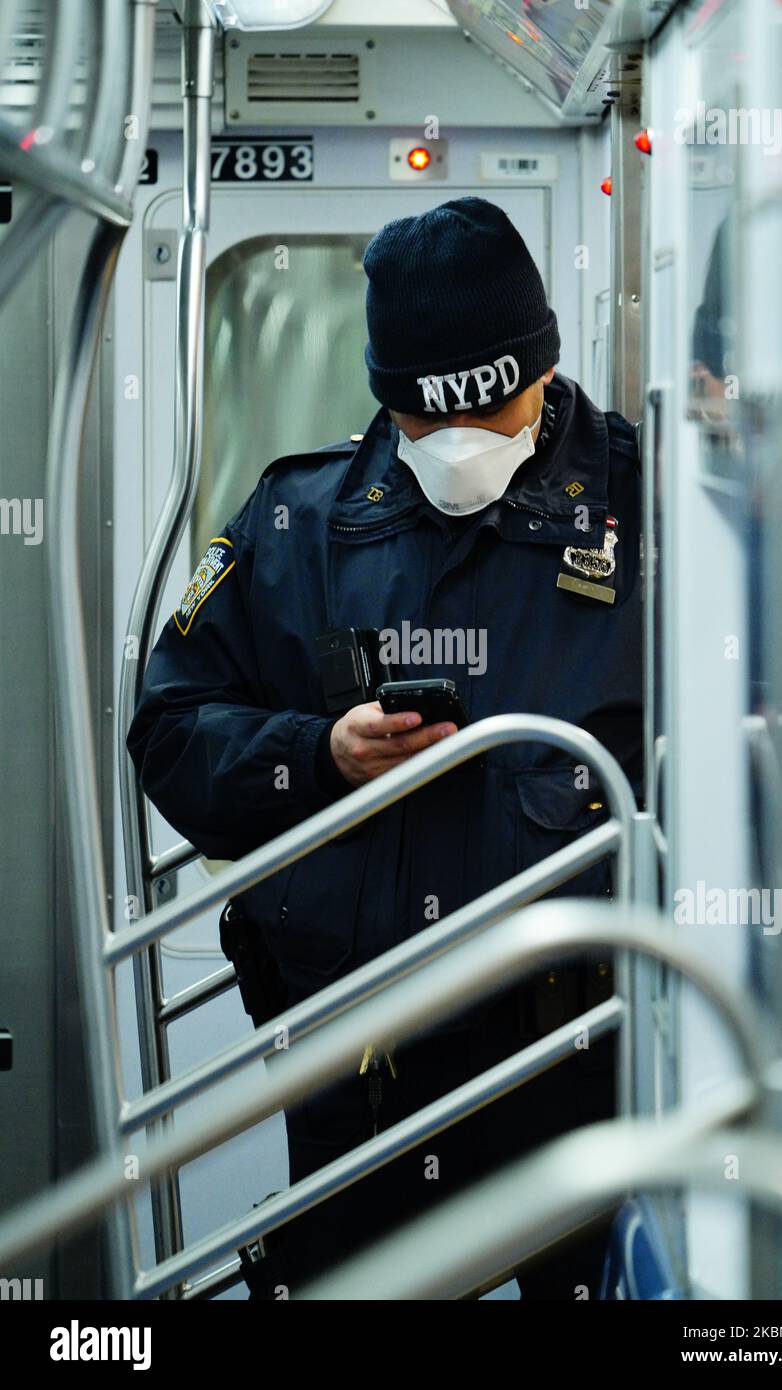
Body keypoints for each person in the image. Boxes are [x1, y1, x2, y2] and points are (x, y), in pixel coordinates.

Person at [127, 196, 643, 1300]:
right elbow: (169, 732)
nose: (456, 445)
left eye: (488, 408)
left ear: (541, 368)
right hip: (356, 1066)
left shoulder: (646, 518)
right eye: (420, 420)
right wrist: (315, 756)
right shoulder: (297, 521)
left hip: (580, 1061)